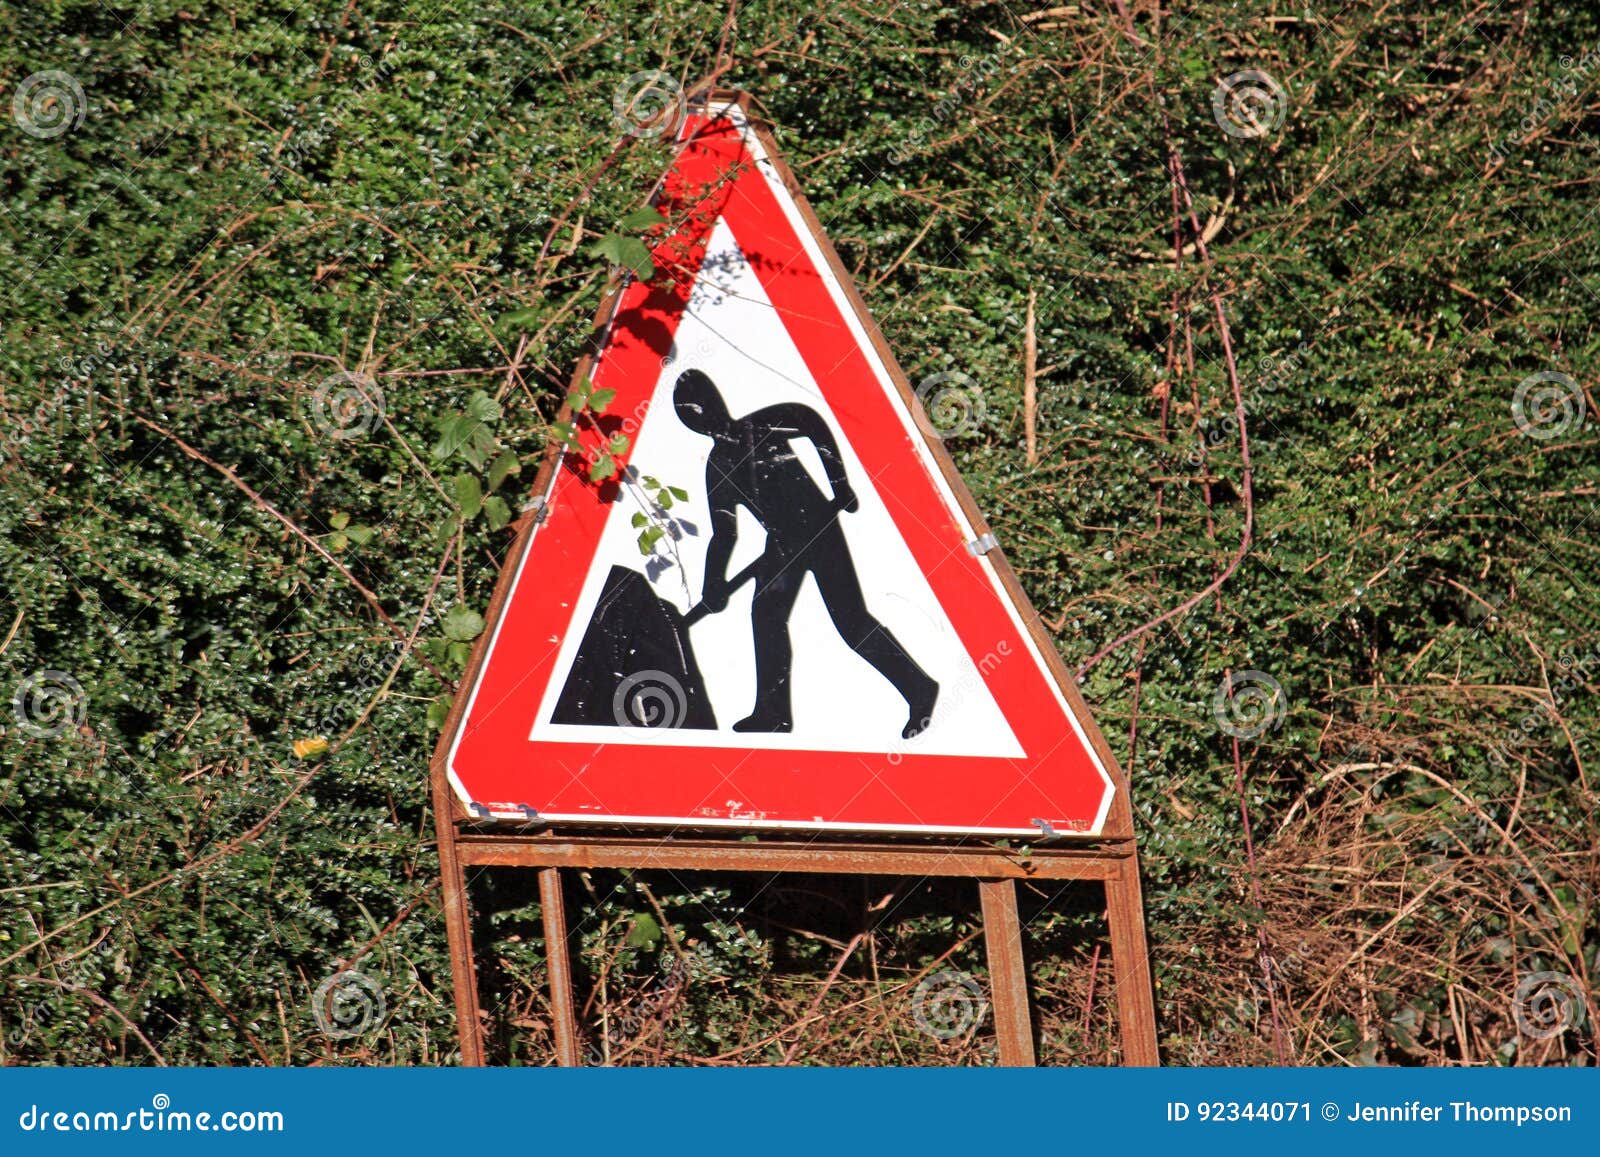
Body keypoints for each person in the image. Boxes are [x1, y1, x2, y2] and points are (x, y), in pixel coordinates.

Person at [674, 369, 939, 738]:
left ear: (716, 402)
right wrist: (713, 583)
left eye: (702, 410)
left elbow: (811, 421)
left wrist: (838, 482)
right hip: (781, 544)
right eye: (692, 418)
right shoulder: (718, 467)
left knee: (851, 621)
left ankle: (920, 689)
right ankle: (772, 713)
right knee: (766, 614)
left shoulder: (762, 424)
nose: (704, 423)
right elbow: (724, 533)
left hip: (819, 528)